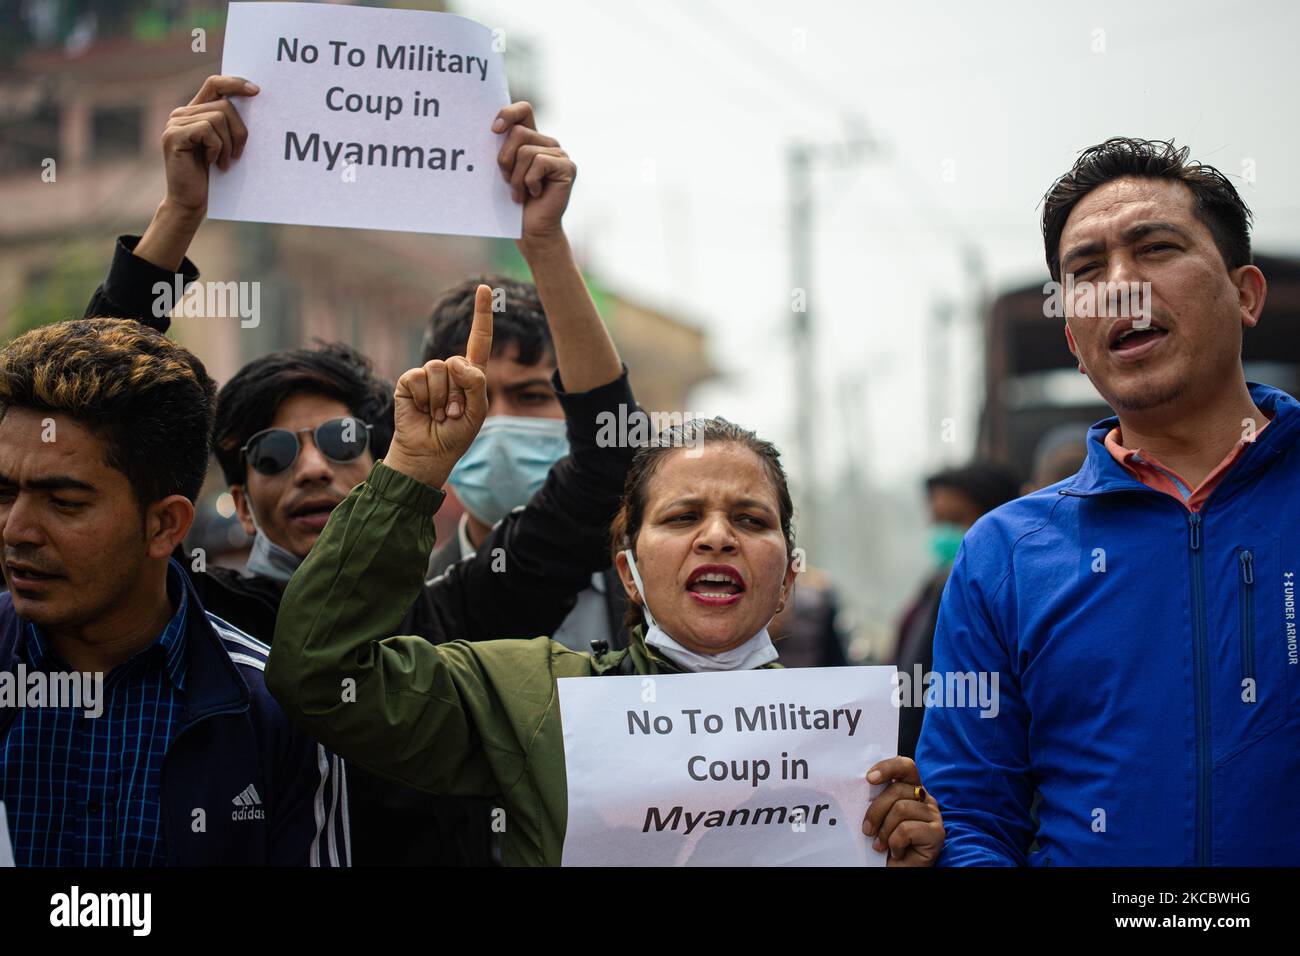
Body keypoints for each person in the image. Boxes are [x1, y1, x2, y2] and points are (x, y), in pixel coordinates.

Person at [81, 75, 642, 864]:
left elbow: (609, 462)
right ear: (239, 506)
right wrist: (178, 216)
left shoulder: (453, 623)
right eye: (273, 454)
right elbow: (81, 441)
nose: (311, 467)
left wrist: (544, 243)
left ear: (390, 461)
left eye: (343, 440)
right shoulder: (205, 623)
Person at [265, 292, 946, 866]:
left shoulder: (845, 749)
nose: (717, 535)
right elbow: (321, 677)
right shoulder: (531, 696)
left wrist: (909, 849)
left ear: (788, 577)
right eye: (683, 517)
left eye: (750, 518)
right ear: (629, 569)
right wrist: (410, 470)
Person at [916, 138, 1300, 865]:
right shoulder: (1002, 556)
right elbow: (967, 814)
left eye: (1155, 249)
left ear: (1246, 293)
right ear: (1073, 337)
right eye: (1086, 271)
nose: (1121, 286)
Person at [0, 319, 348, 866]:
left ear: (165, 525)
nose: (16, 530)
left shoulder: (276, 711)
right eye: (3, 493)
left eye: (63, 502)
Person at [407, 275, 630, 651]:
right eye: (471, 399)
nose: (497, 423)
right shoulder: (409, 606)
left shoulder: (652, 587)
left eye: (529, 396)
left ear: (576, 410)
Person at [894, 462, 1019, 759]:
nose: (943, 533)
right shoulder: (935, 583)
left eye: (956, 519)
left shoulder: (988, 590)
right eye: (937, 521)